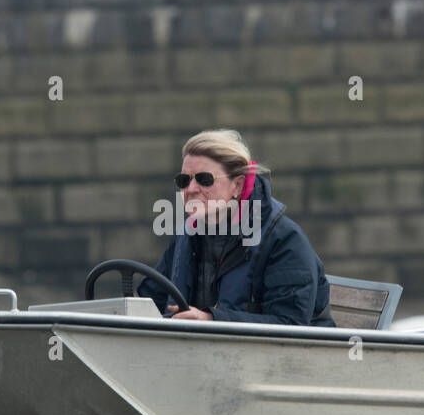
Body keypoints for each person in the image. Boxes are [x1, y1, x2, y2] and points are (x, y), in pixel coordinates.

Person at [138, 129, 335, 326]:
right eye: (184, 180)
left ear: (238, 185)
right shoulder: (184, 237)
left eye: (204, 179)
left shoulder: (285, 240)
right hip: (199, 353)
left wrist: (211, 319)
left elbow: (291, 324)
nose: (190, 189)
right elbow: (153, 301)